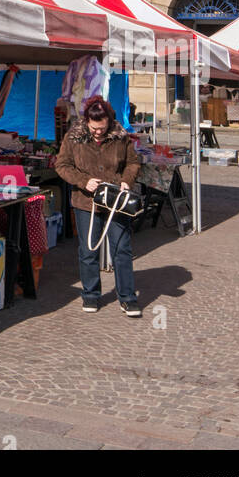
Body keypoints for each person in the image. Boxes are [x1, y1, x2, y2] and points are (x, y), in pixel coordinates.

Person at [55, 96, 142, 317]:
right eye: (94, 129)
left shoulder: (120, 136)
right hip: (86, 202)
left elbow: (133, 162)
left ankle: (127, 297)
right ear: (86, 122)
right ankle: (91, 294)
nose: (98, 132)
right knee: (88, 250)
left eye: (102, 128)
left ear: (109, 122)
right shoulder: (74, 136)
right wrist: (84, 181)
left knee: (122, 249)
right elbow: (62, 165)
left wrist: (126, 180)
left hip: (115, 201)